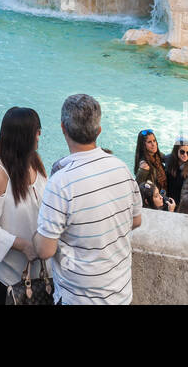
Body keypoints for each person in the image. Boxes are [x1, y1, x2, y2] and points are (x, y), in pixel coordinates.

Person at [34, 94, 141, 305]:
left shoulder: (60, 182)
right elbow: (136, 220)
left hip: (78, 298)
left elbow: (44, 250)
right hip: (120, 293)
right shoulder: (121, 167)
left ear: (63, 128)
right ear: (98, 131)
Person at [0, 106, 47, 305]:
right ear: (23, 136)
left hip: (34, 273)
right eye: (36, 131)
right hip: (5, 275)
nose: (39, 136)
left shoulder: (36, 163)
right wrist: (23, 246)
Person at [164, 137, 188, 206]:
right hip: (168, 201)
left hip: (181, 204)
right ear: (176, 151)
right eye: (182, 152)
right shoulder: (169, 160)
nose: (185, 155)